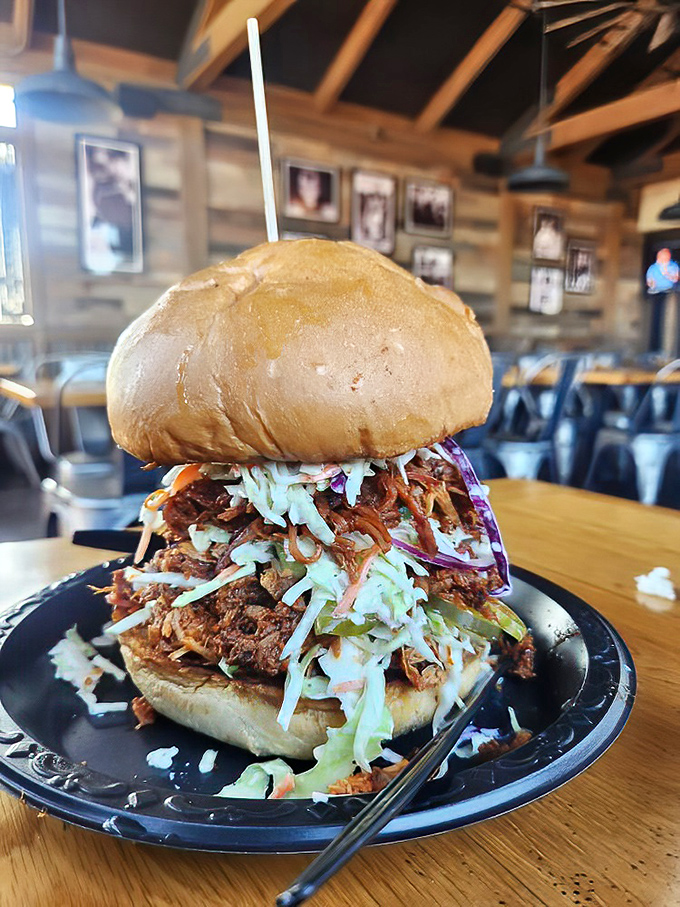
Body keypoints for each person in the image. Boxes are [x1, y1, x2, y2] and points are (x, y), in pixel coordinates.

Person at [645, 248, 679, 352]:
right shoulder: (653, 267)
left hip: (670, 294)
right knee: (656, 321)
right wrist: (651, 283)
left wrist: (666, 273)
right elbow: (649, 280)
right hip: (656, 294)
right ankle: (655, 349)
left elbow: (675, 278)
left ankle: (668, 351)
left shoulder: (673, 267)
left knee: (669, 323)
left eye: (665, 256)